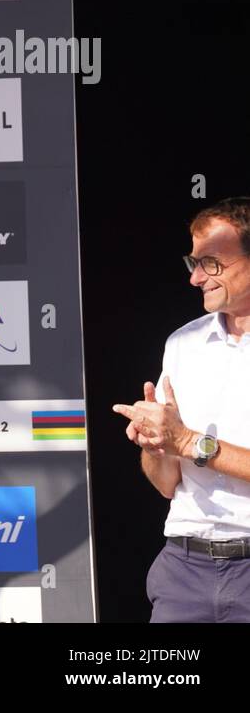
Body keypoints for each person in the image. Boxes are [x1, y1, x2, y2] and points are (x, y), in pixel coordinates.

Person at [113, 197, 250, 622]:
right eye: (193, 261)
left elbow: (191, 445)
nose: (195, 278)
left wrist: (190, 442)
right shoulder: (182, 344)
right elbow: (167, 486)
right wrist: (157, 445)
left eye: (211, 262)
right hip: (184, 568)